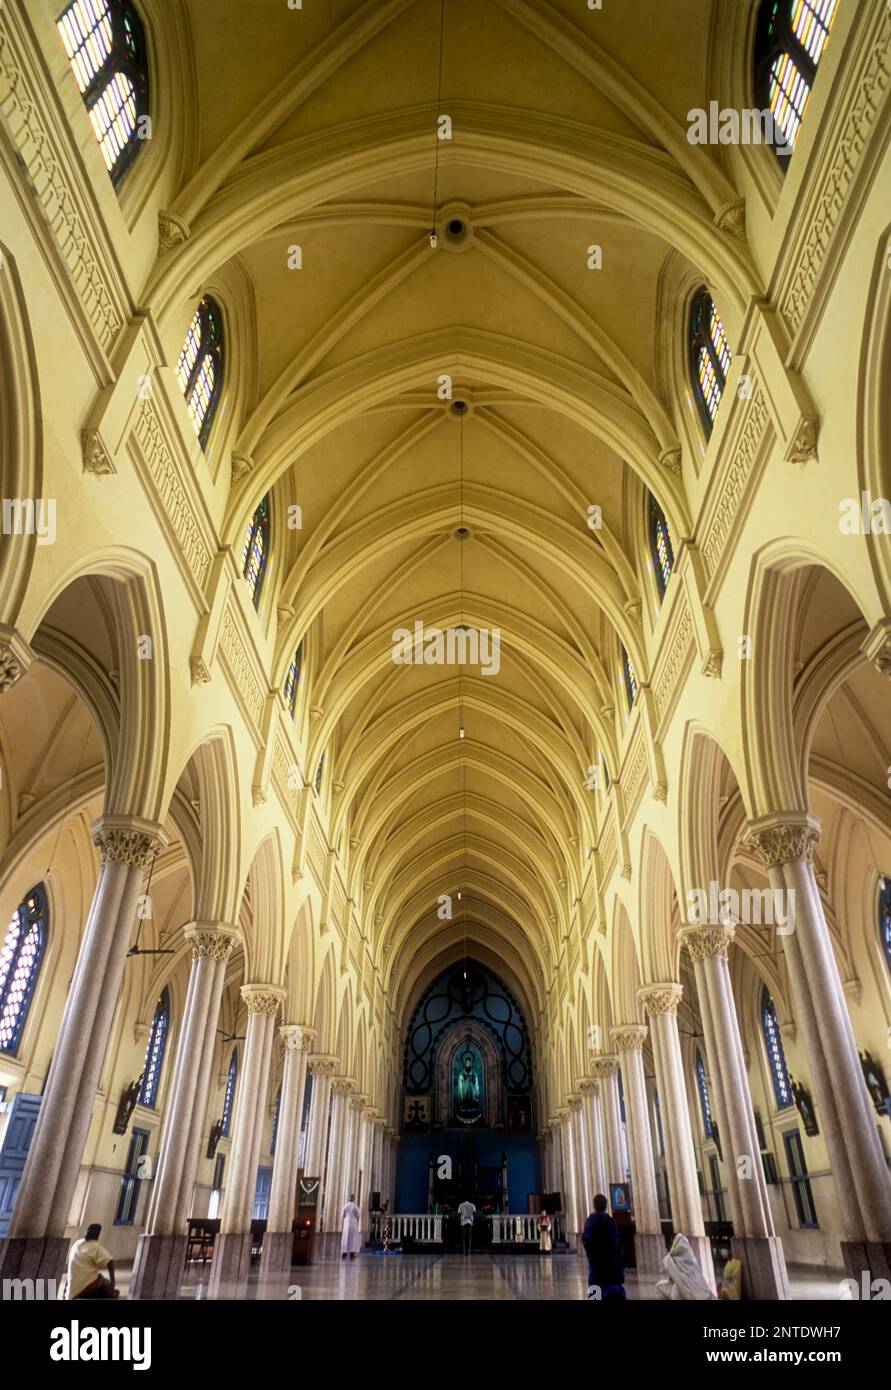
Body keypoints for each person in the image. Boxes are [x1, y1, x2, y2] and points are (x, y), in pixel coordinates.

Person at [581, 1194, 625, 1301]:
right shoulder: (610, 1221)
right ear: (605, 1205)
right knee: (611, 1286)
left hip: (596, 1261)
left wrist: (591, 1254)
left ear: (594, 1205)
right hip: (610, 1260)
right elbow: (616, 1241)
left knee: (595, 1286)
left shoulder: (590, 1221)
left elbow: (586, 1240)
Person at [655, 1233, 715, 1300]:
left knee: (660, 1287)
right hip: (701, 1292)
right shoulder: (691, 1256)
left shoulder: (671, 1258)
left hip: (683, 1293)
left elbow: (670, 1274)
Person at [66, 1223, 119, 1300]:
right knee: (106, 1283)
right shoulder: (95, 1246)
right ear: (98, 1234)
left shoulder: (77, 1243)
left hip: (71, 1289)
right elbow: (110, 1261)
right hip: (87, 1286)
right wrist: (113, 1282)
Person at [341, 1193, 361, 1259]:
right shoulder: (355, 1206)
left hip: (346, 1223)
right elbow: (358, 1215)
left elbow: (342, 1215)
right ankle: (352, 1252)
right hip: (353, 1222)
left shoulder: (345, 1206)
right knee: (353, 1237)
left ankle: (344, 1252)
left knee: (346, 1237)